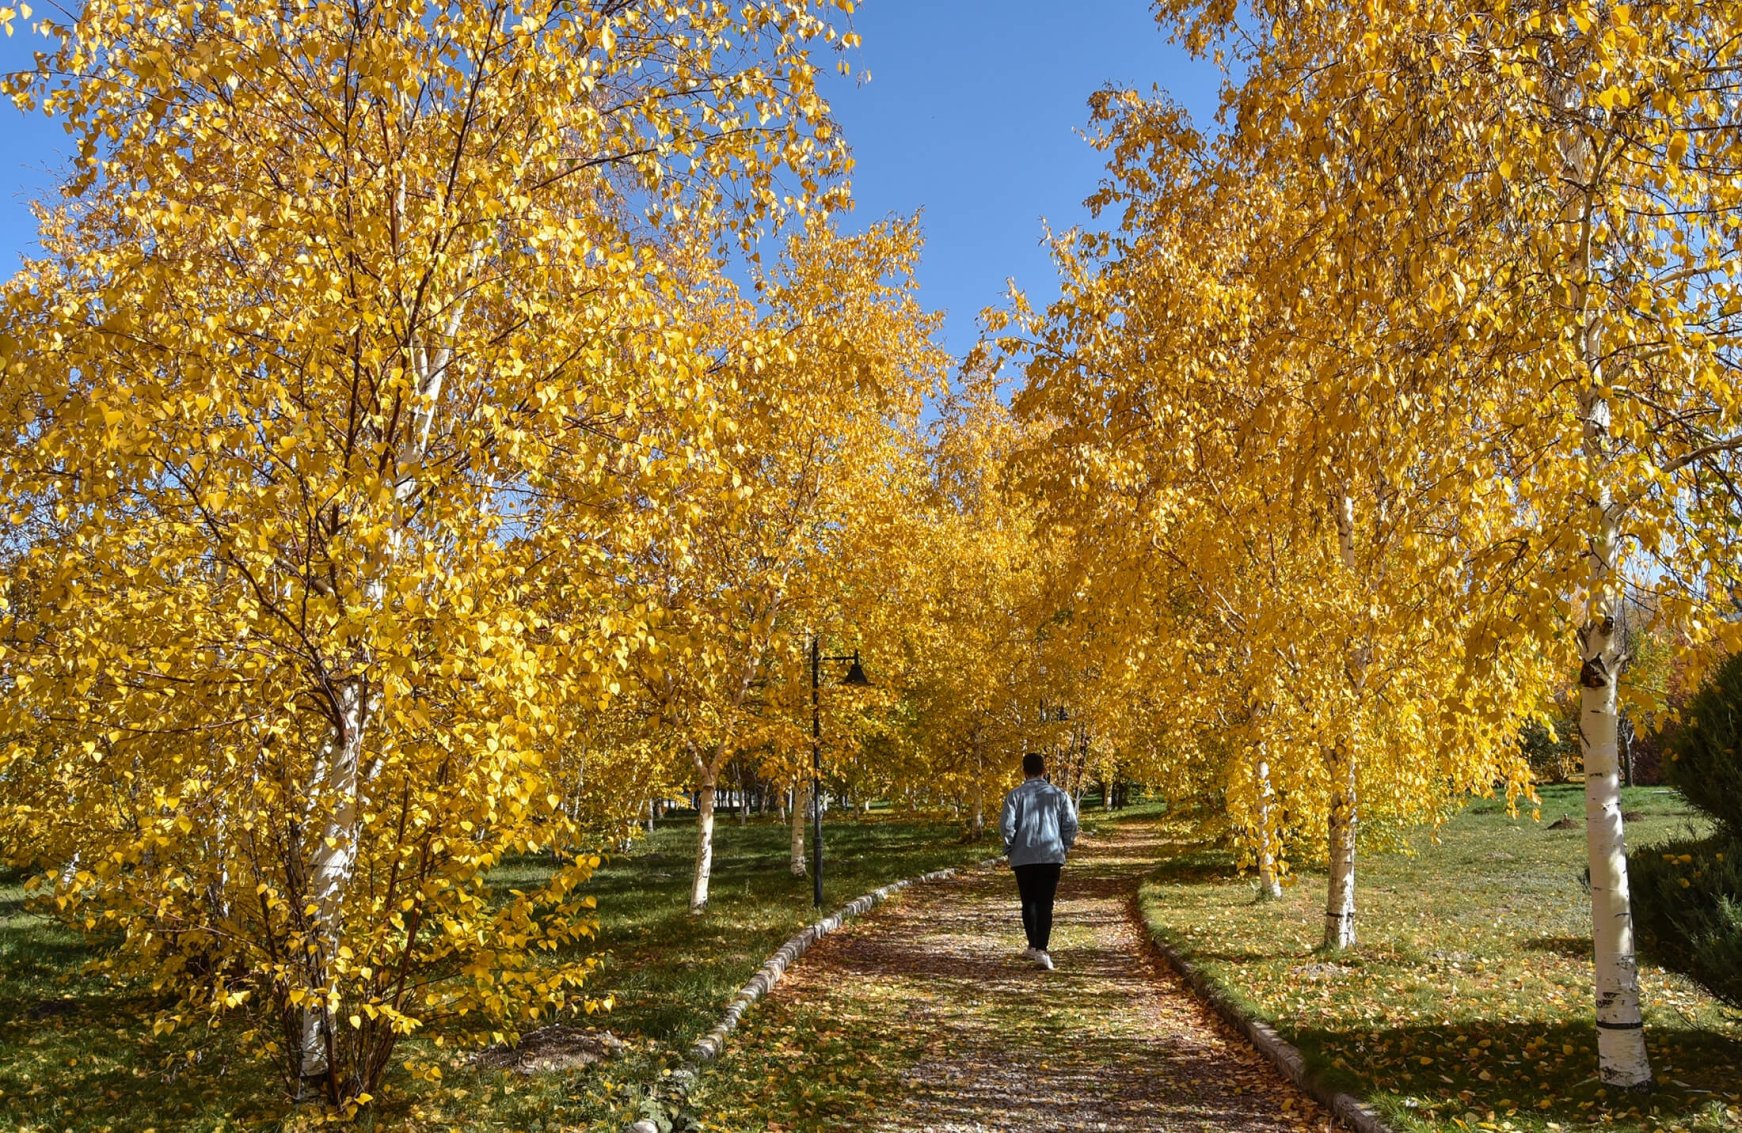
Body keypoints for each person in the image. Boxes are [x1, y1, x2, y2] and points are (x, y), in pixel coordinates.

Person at [1000, 752, 1078, 970]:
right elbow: (1070, 824)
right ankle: (1041, 949)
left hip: (1023, 856)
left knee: (1029, 901)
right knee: (1045, 903)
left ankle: (1034, 946)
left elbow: (1007, 826)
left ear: (1024, 771)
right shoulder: (1059, 794)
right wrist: (1065, 846)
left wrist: (1010, 847)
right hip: (1051, 855)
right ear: (1044, 770)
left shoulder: (1015, 796)